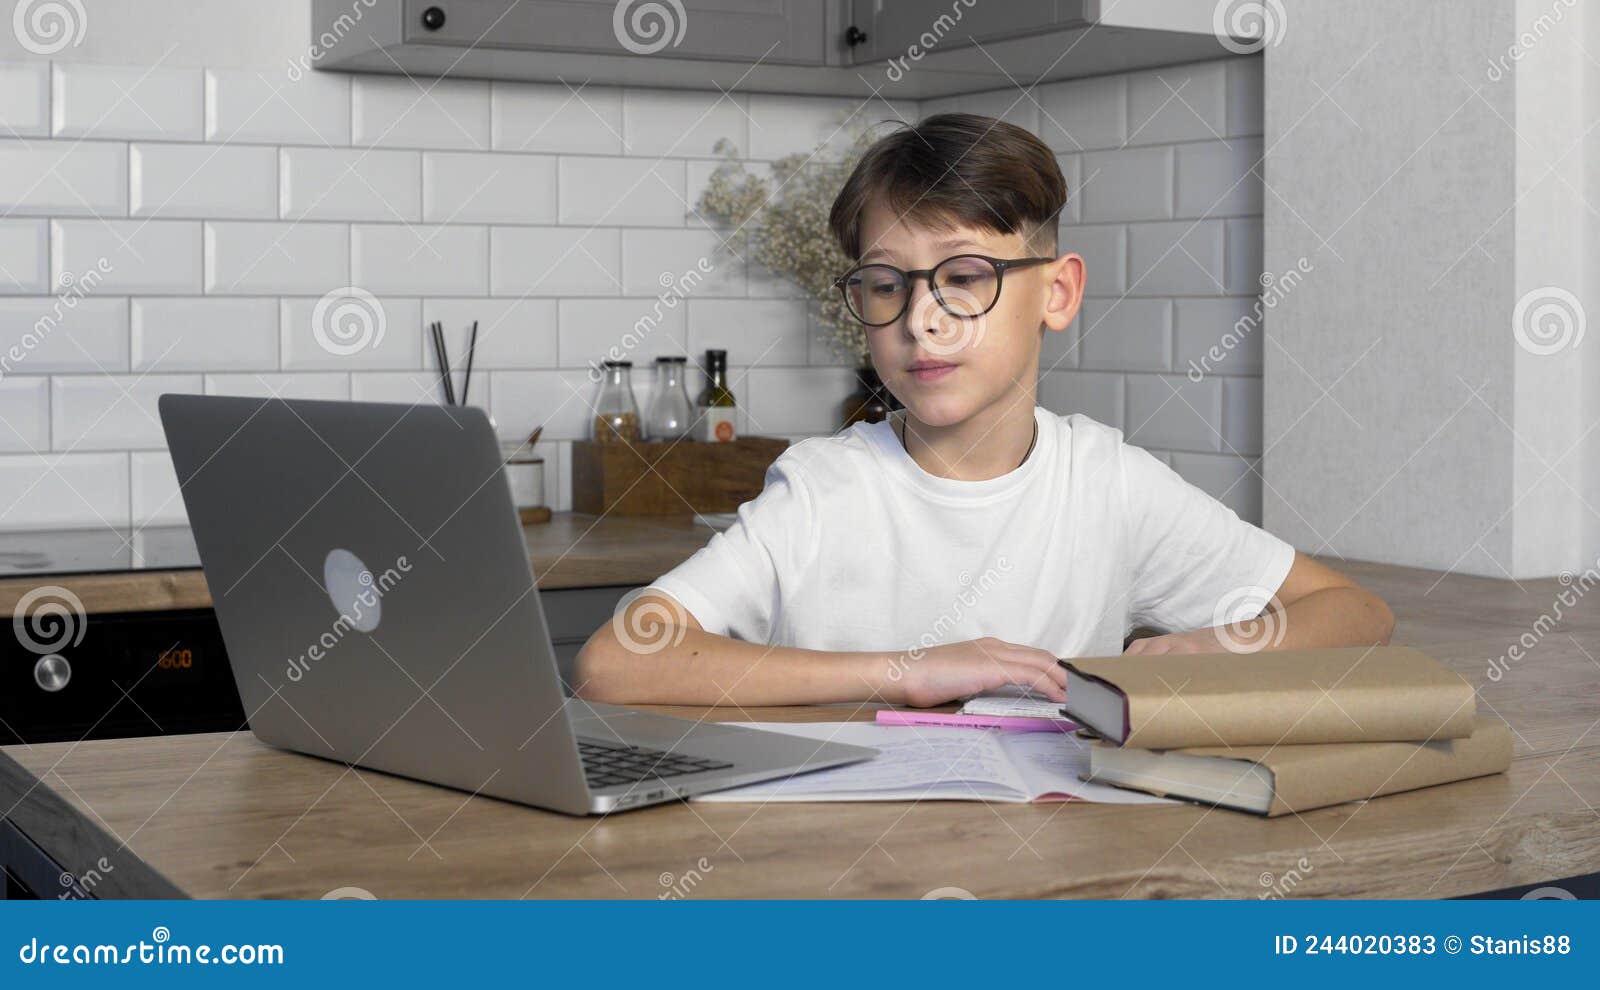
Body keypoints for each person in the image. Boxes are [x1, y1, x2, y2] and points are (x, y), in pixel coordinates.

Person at [575, 113, 1393, 708]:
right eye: (886, 284)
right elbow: (614, 662)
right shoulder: (824, 491)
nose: (919, 319)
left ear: (1059, 291)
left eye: (965, 276)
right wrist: (904, 670)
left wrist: (1196, 649)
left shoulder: (1106, 485)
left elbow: (1353, 613)